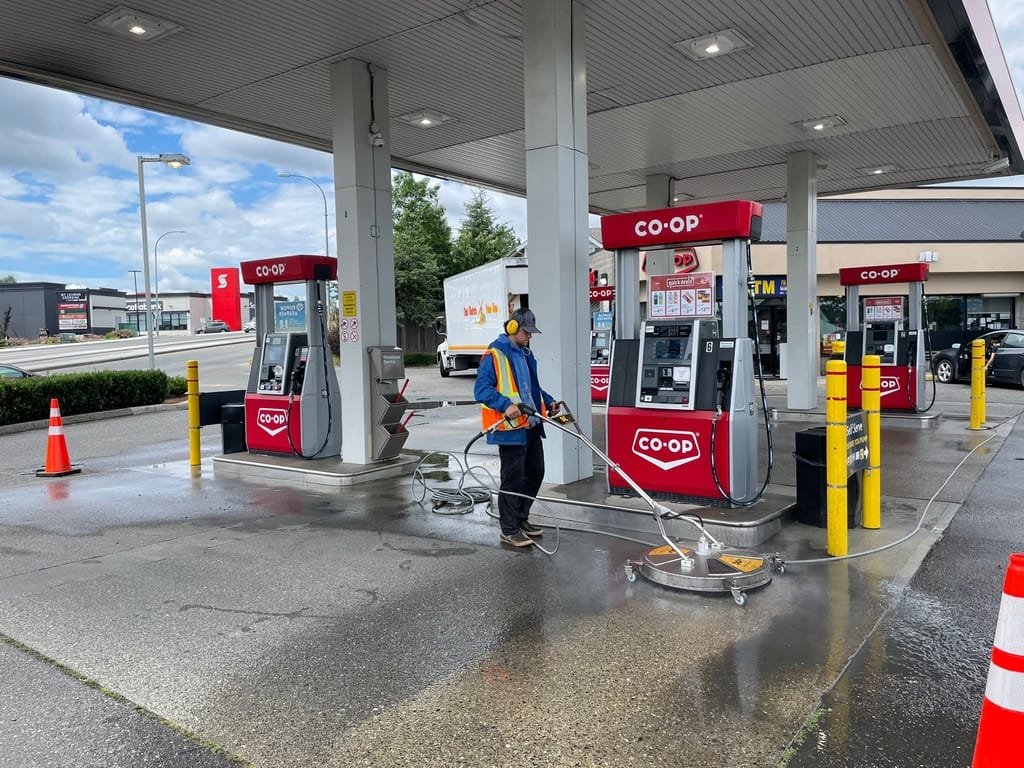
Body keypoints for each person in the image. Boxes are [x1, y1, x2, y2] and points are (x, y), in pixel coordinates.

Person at [474, 307, 560, 548]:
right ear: (512, 327)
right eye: (526, 331)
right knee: (512, 479)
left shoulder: (525, 354)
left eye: (532, 333)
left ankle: (521, 519)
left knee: (535, 472)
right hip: (510, 429)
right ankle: (509, 529)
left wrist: (549, 401)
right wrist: (505, 405)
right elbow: (481, 390)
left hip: (531, 425)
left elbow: (532, 390)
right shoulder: (495, 354)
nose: (530, 336)